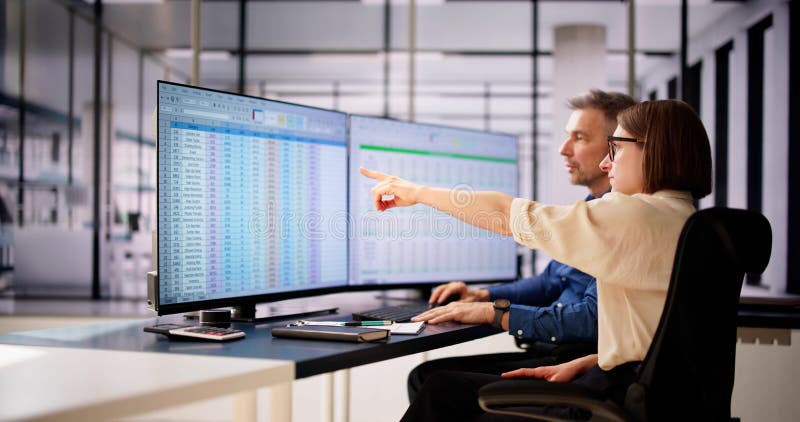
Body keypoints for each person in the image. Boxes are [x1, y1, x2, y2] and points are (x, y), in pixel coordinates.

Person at [361, 99, 712, 421]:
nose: (607, 163)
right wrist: (597, 361)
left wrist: (418, 192)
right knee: (441, 388)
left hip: (620, 401)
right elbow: (664, 341)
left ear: (654, 150)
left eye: (616, 148)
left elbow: (506, 214)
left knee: (441, 395)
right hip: (648, 393)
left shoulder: (635, 216)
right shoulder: (686, 220)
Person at [406, 90, 636, 402]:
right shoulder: (593, 207)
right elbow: (553, 280)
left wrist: (495, 313)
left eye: (580, 138)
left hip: (580, 361)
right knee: (427, 377)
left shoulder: (620, 219)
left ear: (616, 149)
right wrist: (483, 296)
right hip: (563, 350)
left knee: (435, 386)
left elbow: (591, 319)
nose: (564, 149)